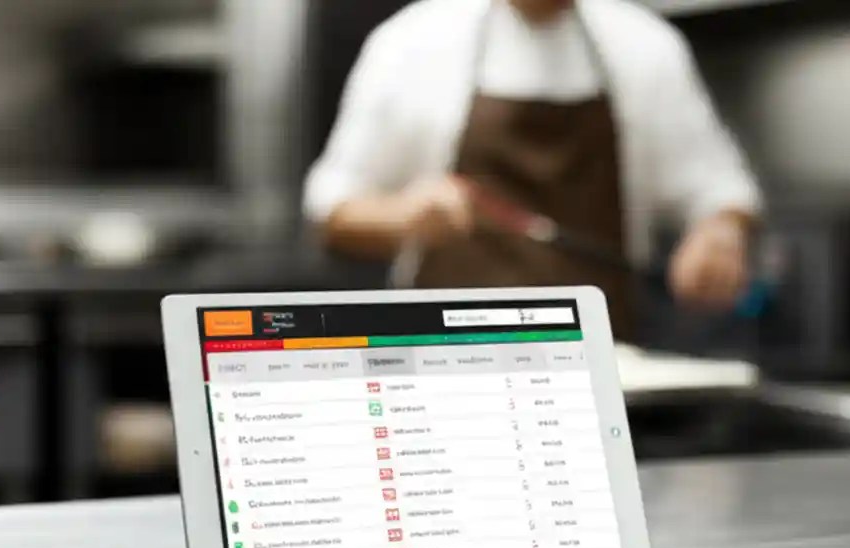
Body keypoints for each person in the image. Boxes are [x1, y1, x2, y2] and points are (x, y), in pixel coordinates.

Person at [304, 0, 761, 339]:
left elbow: (719, 187)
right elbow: (332, 210)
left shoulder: (647, 47)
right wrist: (403, 217)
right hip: (442, 362)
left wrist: (720, 232)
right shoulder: (410, 44)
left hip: (607, 362)